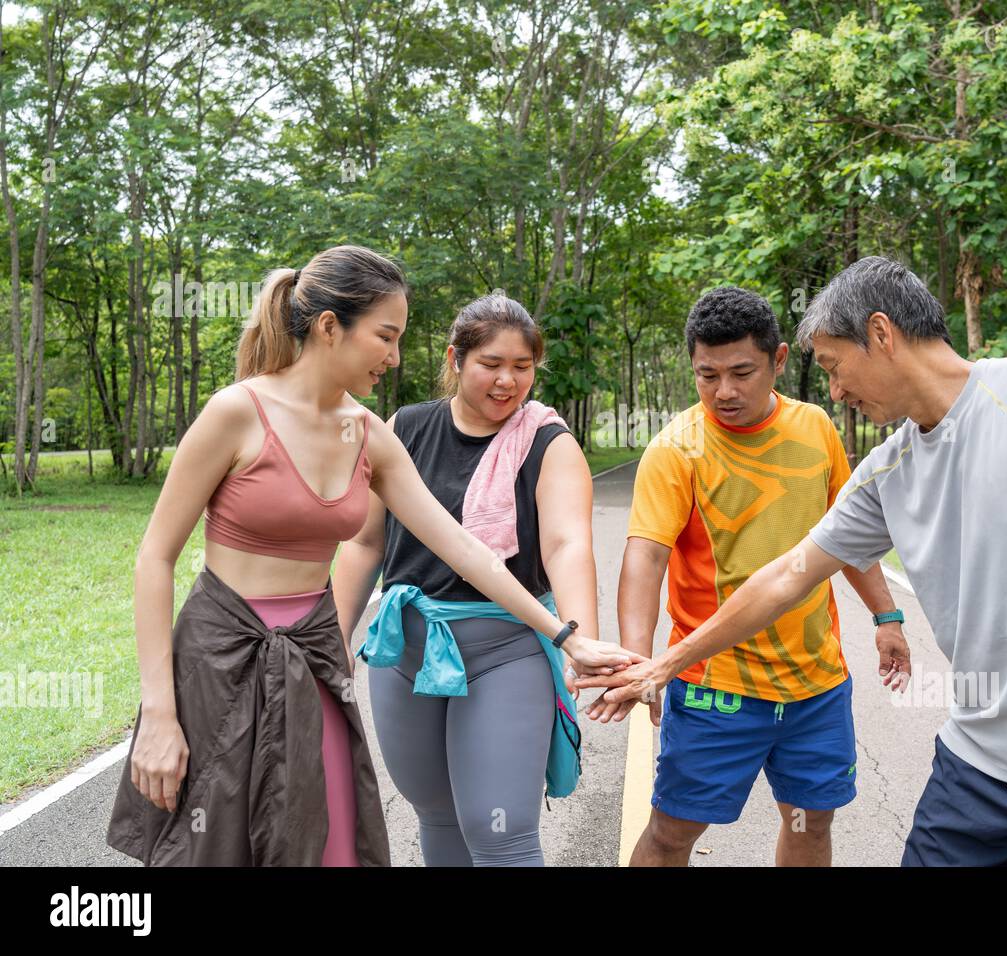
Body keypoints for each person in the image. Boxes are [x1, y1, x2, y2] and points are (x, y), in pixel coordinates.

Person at [580, 256, 1007, 867]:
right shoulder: (889, 470)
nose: (834, 390)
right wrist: (663, 663)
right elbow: (787, 575)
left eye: (836, 366)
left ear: (882, 333)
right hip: (976, 771)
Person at [107, 248, 631, 867]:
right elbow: (154, 558)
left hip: (313, 656)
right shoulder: (235, 413)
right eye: (386, 336)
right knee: (212, 843)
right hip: (220, 654)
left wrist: (568, 637)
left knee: (325, 840)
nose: (395, 356)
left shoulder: (370, 433)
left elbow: (465, 548)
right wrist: (159, 717)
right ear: (331, 327)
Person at [584, 286, 910, 867]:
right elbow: (644, 558)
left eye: (741, 372)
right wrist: (639, 662)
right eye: (707, 375)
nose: (724, 392)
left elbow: (849, 537)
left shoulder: (815, 429)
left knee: (811, 824)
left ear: (779, 360)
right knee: (671, 832)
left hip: (816, 684)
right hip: (715, 685)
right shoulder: (676, 449)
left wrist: (886, 616)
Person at [333, 291, 631, 866]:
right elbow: (366, 540)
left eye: (522, 367)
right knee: (437, 815)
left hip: (505, 649)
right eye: (491, 364)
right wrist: (336, 636)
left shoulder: (549, 443)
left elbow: (568, 545)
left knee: (500, 832)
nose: (507, 381)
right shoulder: (404, 428)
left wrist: (581, 641)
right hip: (406, 649)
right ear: (455, 360)